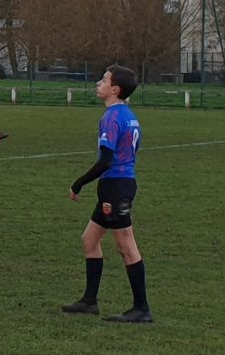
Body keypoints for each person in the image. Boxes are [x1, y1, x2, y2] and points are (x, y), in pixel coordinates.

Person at [62, 65, 152, 323]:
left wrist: (78, 183)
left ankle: (142, 308)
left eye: (103, 80)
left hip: (117, 187)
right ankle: (89, 301)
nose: (98, 83)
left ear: (115, 89)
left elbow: (106, 161)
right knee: (90, 239)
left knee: (126, 246)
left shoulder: (112, 118)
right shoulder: (129, 115)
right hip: (117, 185)